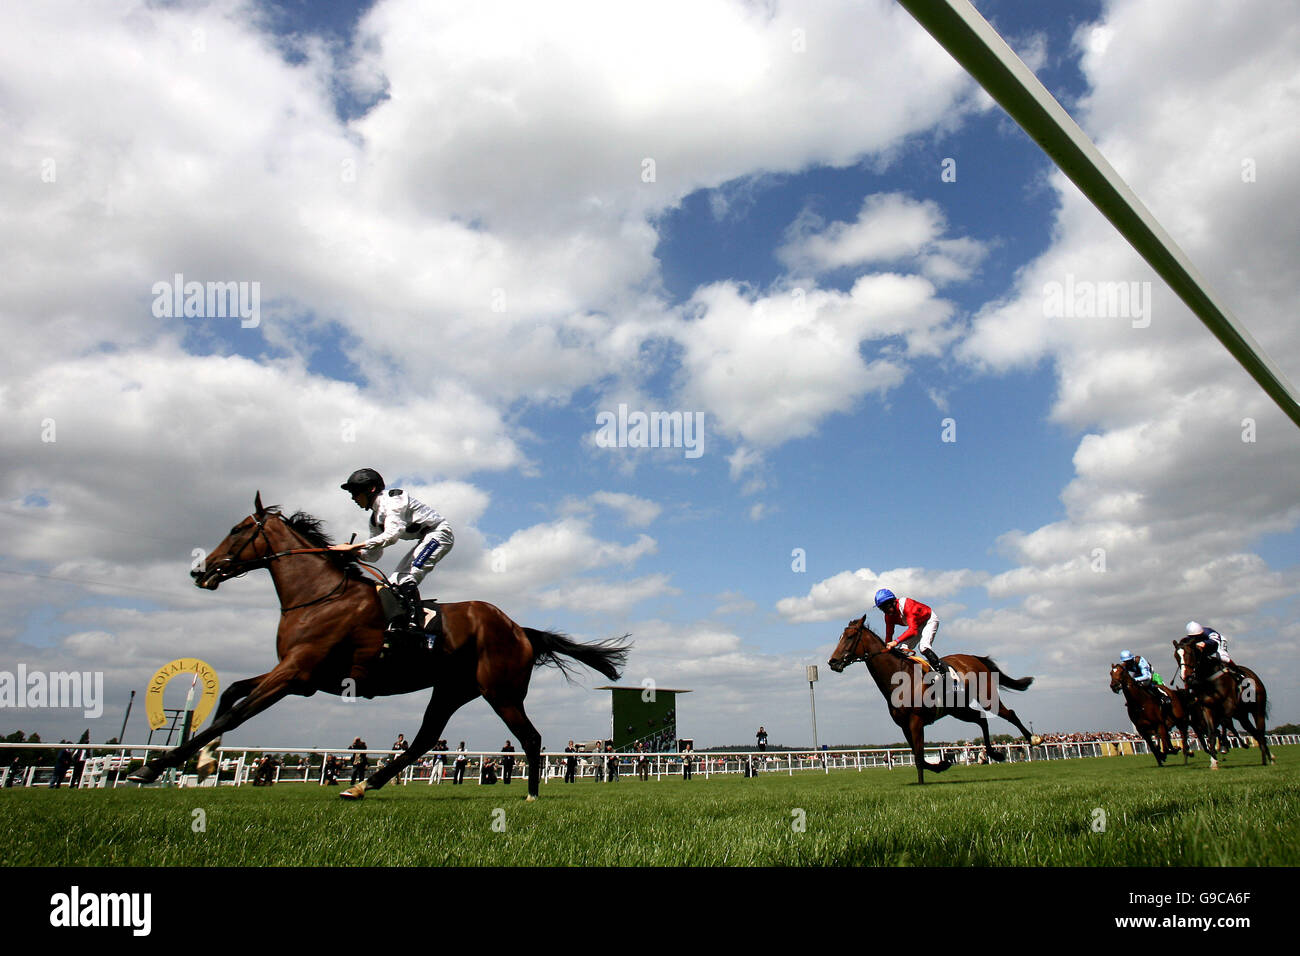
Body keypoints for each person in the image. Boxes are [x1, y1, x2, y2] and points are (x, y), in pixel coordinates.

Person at [333, 468, 455, 632]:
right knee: (392, 583)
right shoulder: (374, 519)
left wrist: (354, 546)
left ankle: (415, 625)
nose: (353, 498)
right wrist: (356, 553)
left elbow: (392, 535)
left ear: (371, 489)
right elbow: (374, 555)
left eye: (355, 492)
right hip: (426, 537)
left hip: (439, 534)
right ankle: (400, 623)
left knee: (405, 578)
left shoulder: (393, 500)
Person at [873, 588, 946, 675]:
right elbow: (889, 635)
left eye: (886, 607)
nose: (885, 611)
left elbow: (913, 630)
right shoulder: (888, 616)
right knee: (902, 649)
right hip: (917, 626)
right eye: (882, 609)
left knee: (923, 647)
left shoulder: (907, 605)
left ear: (893, 602)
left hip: (929, 620)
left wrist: (895, 642)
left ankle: (943, 672)